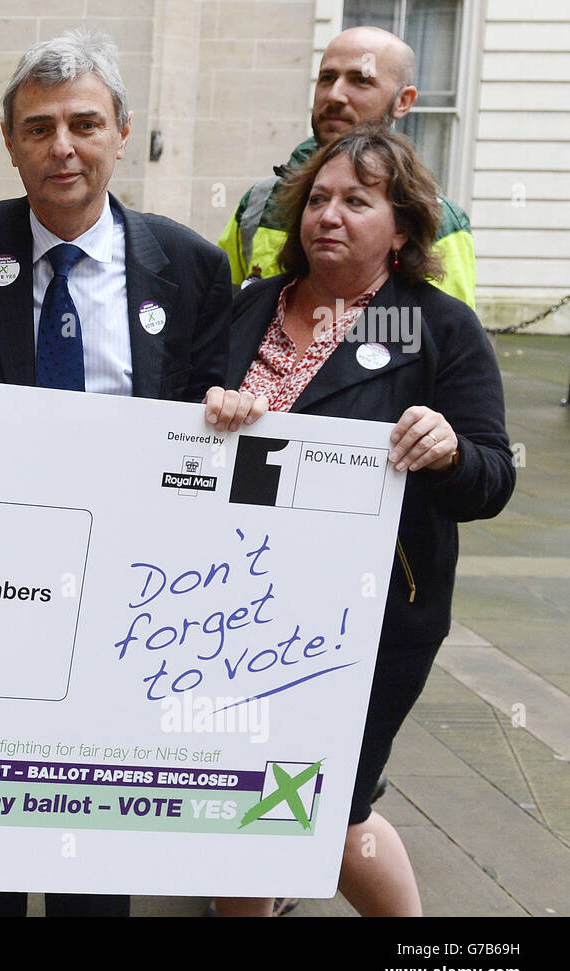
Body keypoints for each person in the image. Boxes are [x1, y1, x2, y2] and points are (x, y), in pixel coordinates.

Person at [0, 27, 231, 917]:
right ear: (9, 141)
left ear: (120, 131)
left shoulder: (190, 268)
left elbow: (212, 428)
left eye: (83, 124)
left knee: (93, 855)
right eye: (38, 128)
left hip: (127, 599)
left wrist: (227, 417)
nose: (61, 147)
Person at [205, 125, 515, 916]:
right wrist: (212, 411)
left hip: (372, 618)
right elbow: (180, 428)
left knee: (330, 802)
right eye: (317, 199)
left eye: (357, 201)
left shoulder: (435, 326)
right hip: (227, 599)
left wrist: (447, 451)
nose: (328, 216)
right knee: (247, 790)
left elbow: (491, 478)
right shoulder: (246, 307)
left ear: (403, 227)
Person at [217, 26, 476, 308]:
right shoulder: (261, 201)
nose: (335, 95)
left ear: (403, 101)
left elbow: (448, 342)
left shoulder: (434, 218)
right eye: (327, 78)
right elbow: (221, 322)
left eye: (360, 81)